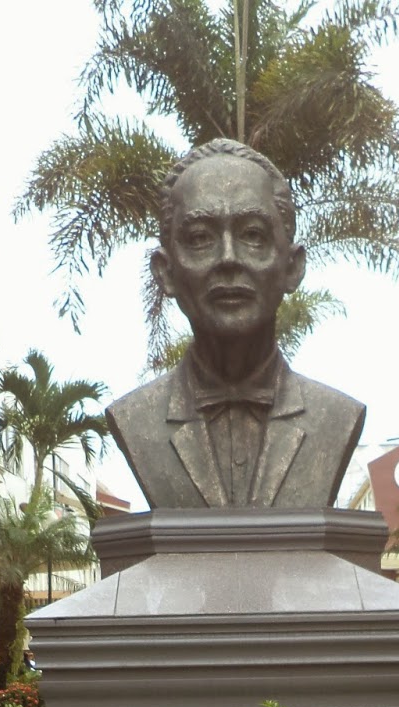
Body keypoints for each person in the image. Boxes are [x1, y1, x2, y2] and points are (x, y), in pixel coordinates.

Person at [106, 139, 366, 510]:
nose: (228, 259)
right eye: (200, 238)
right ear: (166, 272)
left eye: (253, 235)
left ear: (292, 267)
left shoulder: (337, 417)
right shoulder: (135, 419)